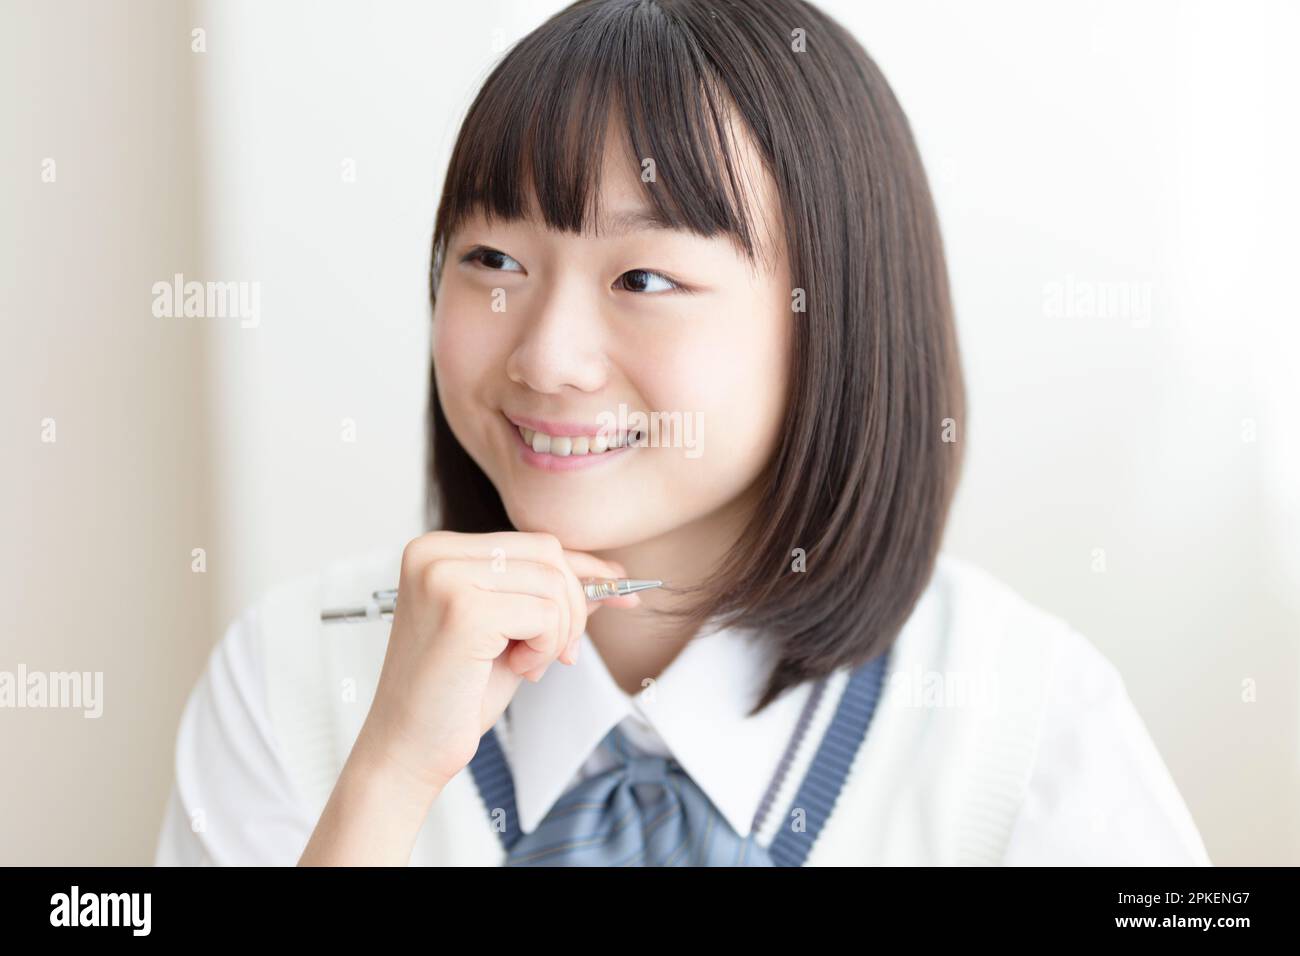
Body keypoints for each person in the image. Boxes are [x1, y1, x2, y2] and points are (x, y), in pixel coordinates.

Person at [155, 0, 1211, 866]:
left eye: (644, 276)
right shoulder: (296, 672)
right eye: (491, 261)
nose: (546, 355)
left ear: (832, 321)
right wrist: (385, 783)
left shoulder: (1019, 717)